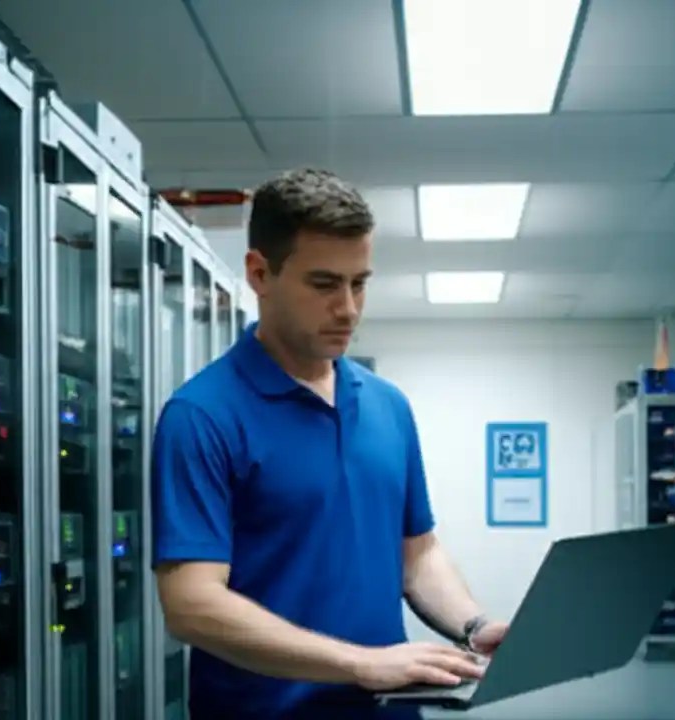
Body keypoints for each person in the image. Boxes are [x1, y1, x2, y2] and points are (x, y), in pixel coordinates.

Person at [150, 168, 507, 719]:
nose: (348, 309)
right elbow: (192, 605)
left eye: (359, 283)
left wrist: (474, 625)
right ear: (260, 273)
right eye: (324, 284)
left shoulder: (389, 406)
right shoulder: (202, 416)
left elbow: (418, 554)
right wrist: (360, 664)